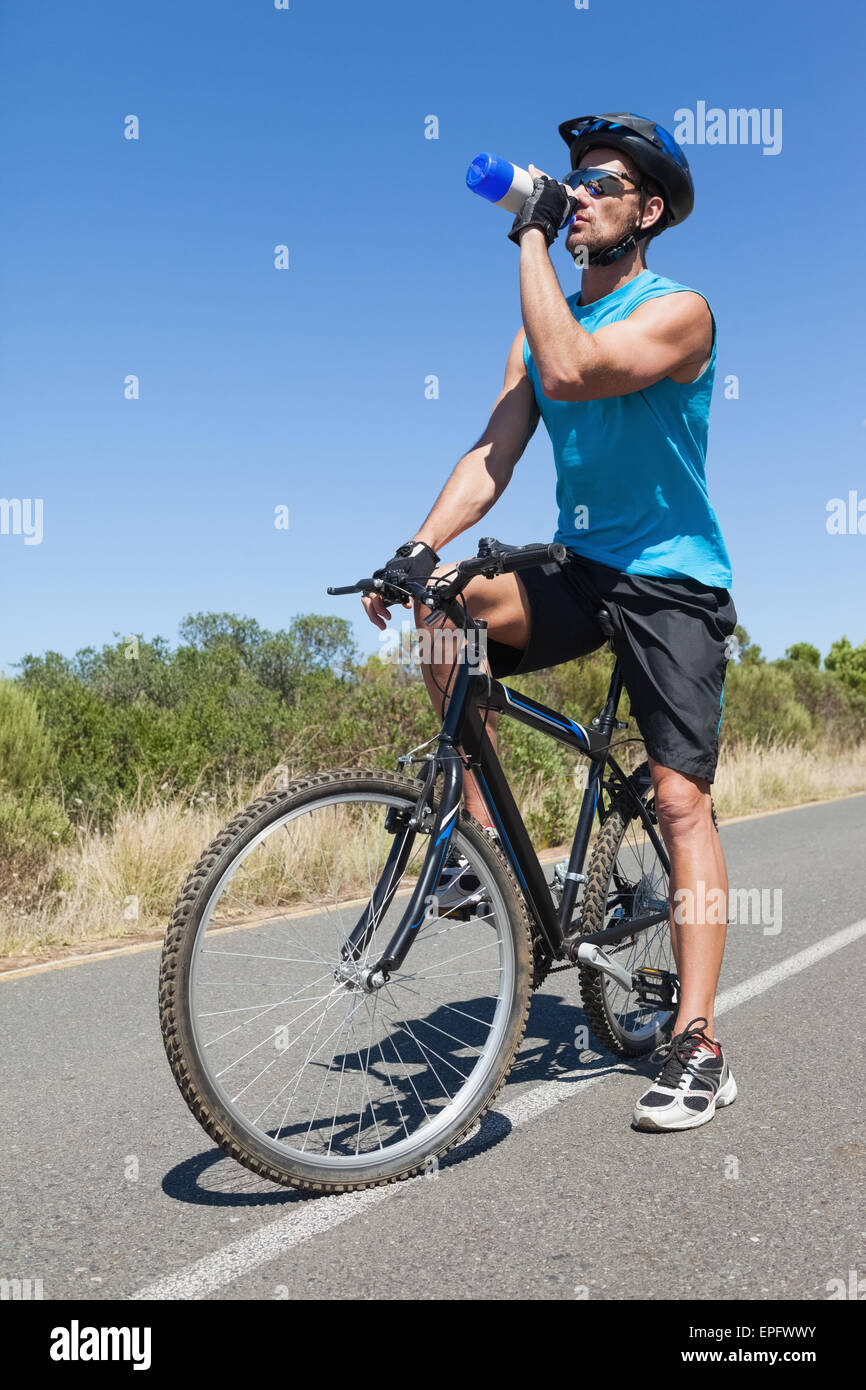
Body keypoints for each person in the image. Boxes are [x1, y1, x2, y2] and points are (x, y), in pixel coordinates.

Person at [362, 113, 738, 1132]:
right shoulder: (538, 327)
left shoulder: (681, 312)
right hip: (582, 568)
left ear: (647, 210)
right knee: (446, 612)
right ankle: (473, 844)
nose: (577, 194)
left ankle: (696, 1039)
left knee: (674, 799)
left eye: (599, 183)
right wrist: (416, 547)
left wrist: (527, 231)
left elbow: (573, 369)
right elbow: (492, 455)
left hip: (671, 582)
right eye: (568, 181)